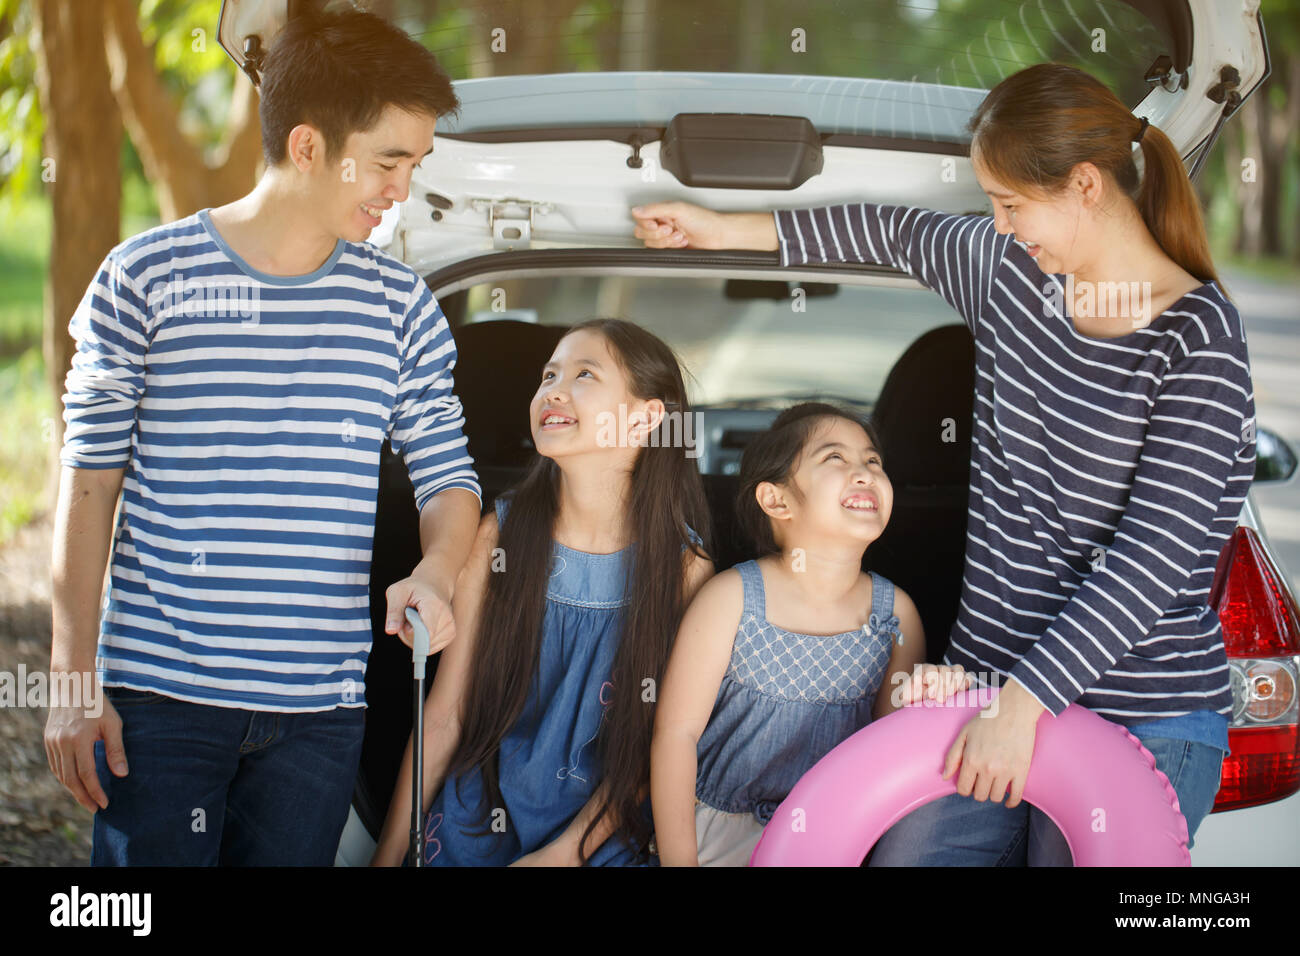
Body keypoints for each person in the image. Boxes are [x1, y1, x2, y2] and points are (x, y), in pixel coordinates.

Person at [631, 62, 1255, 864]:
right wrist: (722, 228)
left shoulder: (1198, 340)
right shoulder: (1010, 278)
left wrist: (1025, 708)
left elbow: (1152, 560)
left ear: (1087, 185)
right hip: (981, 692)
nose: (997, 225)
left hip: (1142, 711)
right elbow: (893, 232)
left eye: (1011, 204)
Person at [46, 8, 481, 865]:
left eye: (415, 165)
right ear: (311, 146)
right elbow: (88, 485)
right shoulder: (143, 280)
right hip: (159, 702)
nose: (402, 189)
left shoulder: (403, 311)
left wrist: (436, 568)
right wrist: (70, 682)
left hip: (320, 718)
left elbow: (448, 481)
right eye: (389, 161)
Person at [370, 319, 714, 866]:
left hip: (603, 831)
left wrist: (565, 855)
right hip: (482, 814)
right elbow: (446, 715)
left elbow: (661, 747)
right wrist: (387, 857)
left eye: (584, 375)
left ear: (647, 418)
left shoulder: (684, 570)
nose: (552, 388)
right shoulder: (499, 535)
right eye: (548, 373)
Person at [652, 403, 968, 866]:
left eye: (873, 462)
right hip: (714, 836)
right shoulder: (732, 599)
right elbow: (675, 735)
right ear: (777, 501)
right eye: (835, 459)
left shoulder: (895, 614)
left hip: (832, 840)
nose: (864, 473)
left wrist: (930, 698)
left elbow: (890, 749)